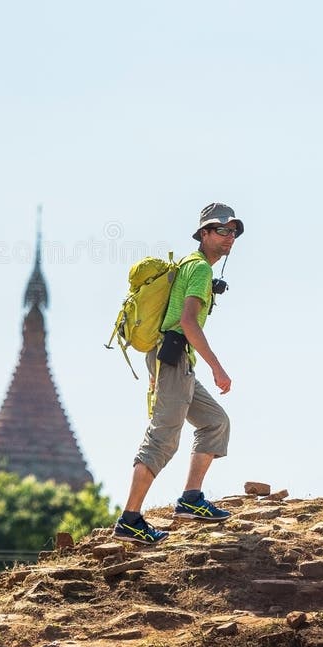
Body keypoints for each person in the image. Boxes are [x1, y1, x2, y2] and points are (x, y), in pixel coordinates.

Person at [113, 202, 244, 545]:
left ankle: (190, 499)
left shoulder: (190, 265)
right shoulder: (199, 269)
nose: (229, 237)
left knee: (215, 422)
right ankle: (129, 519)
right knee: (163, 437)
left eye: (233, 231)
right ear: (204, 233)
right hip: (174, 358)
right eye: (222, 230)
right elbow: (186, 322)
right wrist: (218, 368)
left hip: (172, 360)